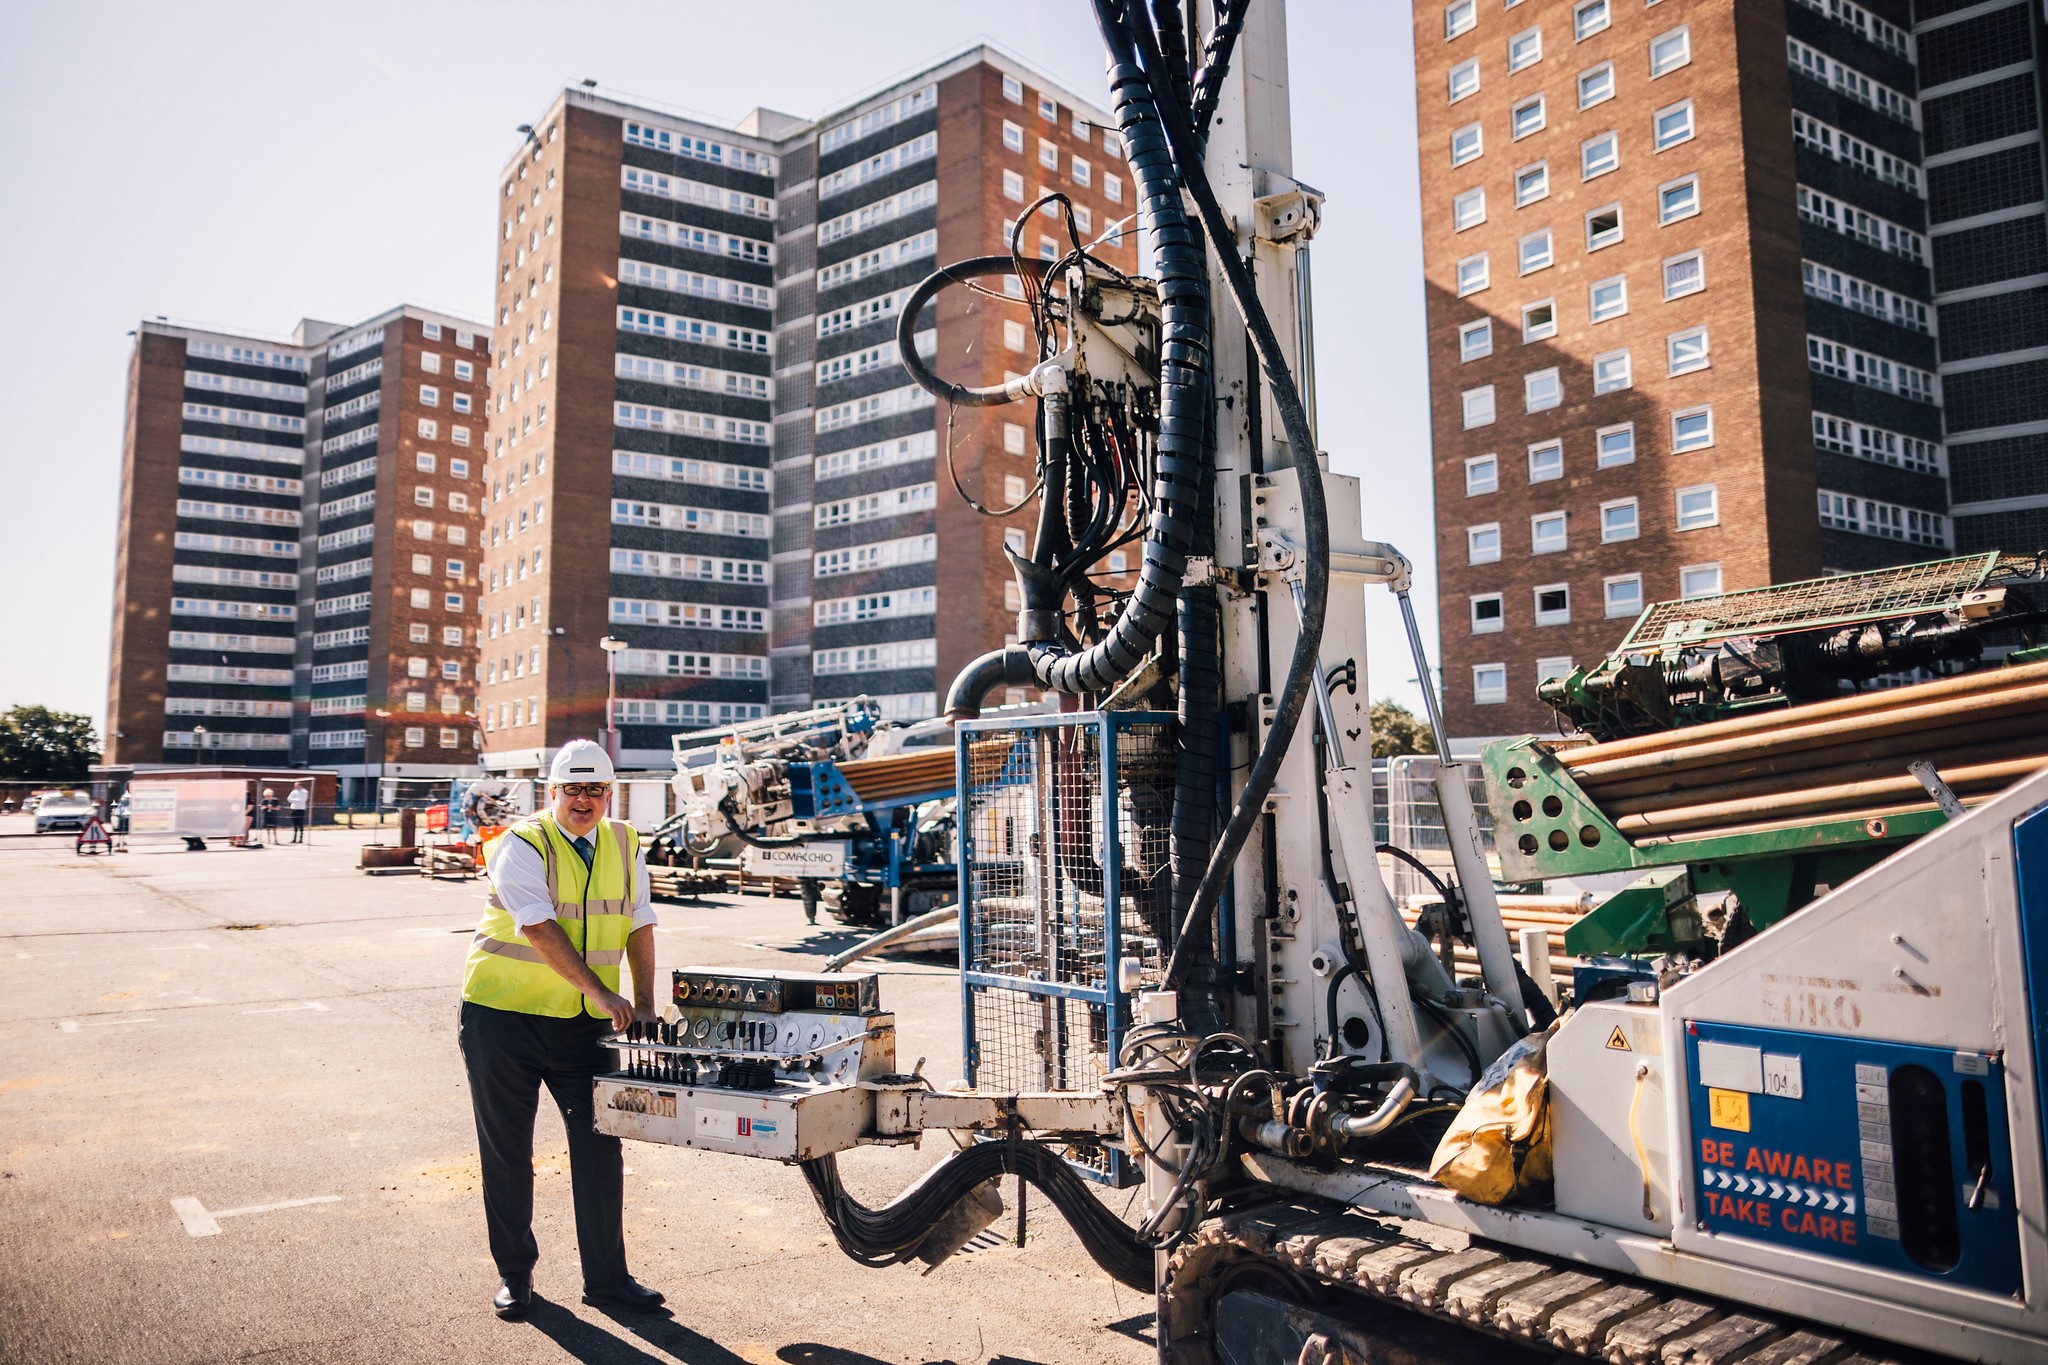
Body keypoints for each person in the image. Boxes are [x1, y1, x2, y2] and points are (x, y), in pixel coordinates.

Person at [457, 739, 665, 1322]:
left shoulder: (624, 842)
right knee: (508, 1150)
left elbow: (640, 920)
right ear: (552, 793)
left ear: (609, 793)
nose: (584, 800)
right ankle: (515, 1275)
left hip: (583, 1029)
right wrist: (601, 991)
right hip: (504, 1019)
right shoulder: (521, 843)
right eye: (572, 789)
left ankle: (607, 1279)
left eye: (595, 789)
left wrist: (645, 999)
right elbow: (537, 926)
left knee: (602, 1148)